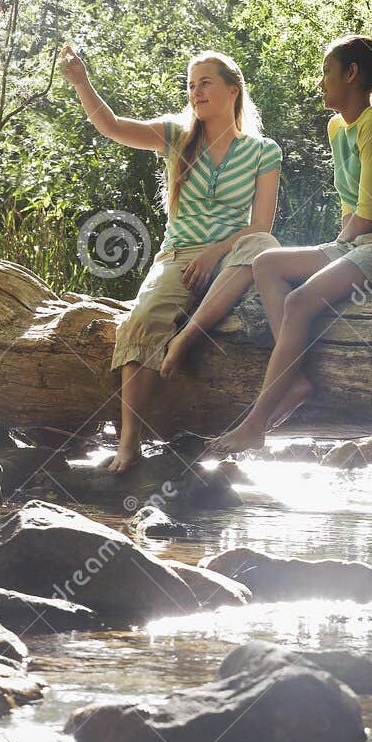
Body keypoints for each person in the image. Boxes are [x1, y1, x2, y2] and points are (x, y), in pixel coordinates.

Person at [58, 44, 282, 472]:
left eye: (206, 83)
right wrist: (81, 82)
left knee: (266, 247)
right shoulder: (176, 135)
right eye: (191, 85)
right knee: (140, 322)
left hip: (232, 254)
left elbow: (260, 226)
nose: (196, 92)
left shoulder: (262, 151)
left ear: (233, 90)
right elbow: (111, 126)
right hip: (178, 256)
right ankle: (129, 442)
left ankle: (185, 339)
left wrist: (217, 251)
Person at [206, 34, 372, 458]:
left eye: (328, 71)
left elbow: (367, 212)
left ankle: (255, 425)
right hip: (364, 238)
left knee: (302, 301)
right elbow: (351, 207)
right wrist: (338, 249)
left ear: (351, 74)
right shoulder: (337, 127)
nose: (321, 82)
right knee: (267, 264)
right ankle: (295, 380)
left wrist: (339, 250)